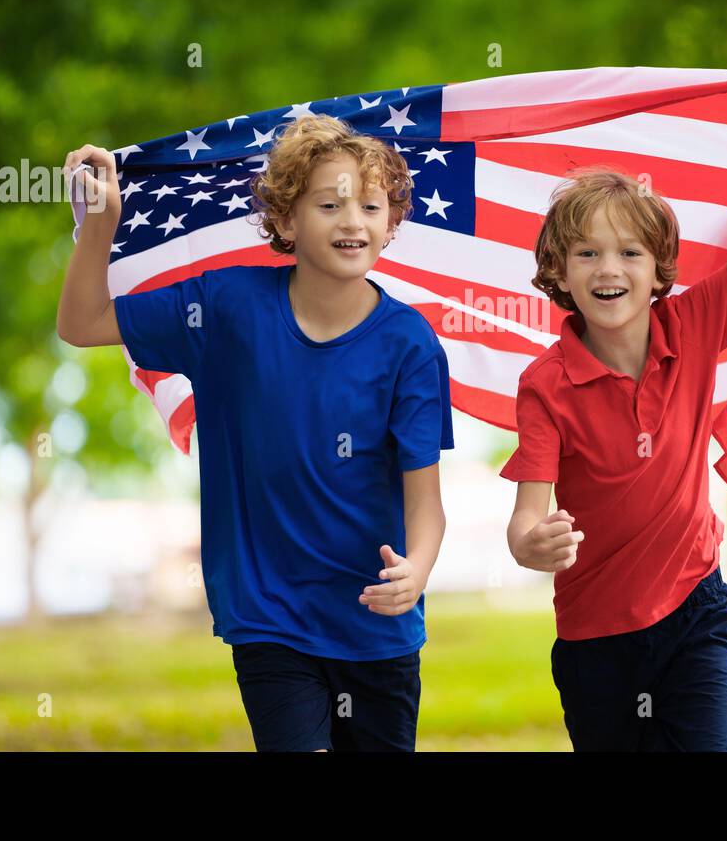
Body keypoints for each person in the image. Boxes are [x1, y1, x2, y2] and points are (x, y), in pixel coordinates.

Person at [57, 114, 453, 751]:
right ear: (288, 221)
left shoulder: (409, 344)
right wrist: (101, 225)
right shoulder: (224, 307)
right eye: (330, 203)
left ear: (390, 223)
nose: (353, 220)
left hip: (378, 627)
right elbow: (83, 323)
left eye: (371, 206)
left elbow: (425, 501)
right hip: (269, 619)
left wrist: (419, 569)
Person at [500, 29, 727, 751]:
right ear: (558, 273)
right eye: (587, 253)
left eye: (630, 252)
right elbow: (526, 520)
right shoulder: (546, 385)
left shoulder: (695, 321)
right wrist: (536, 545)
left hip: (696, 615)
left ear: (661, 272)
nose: (609, 268)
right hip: (595, 641)